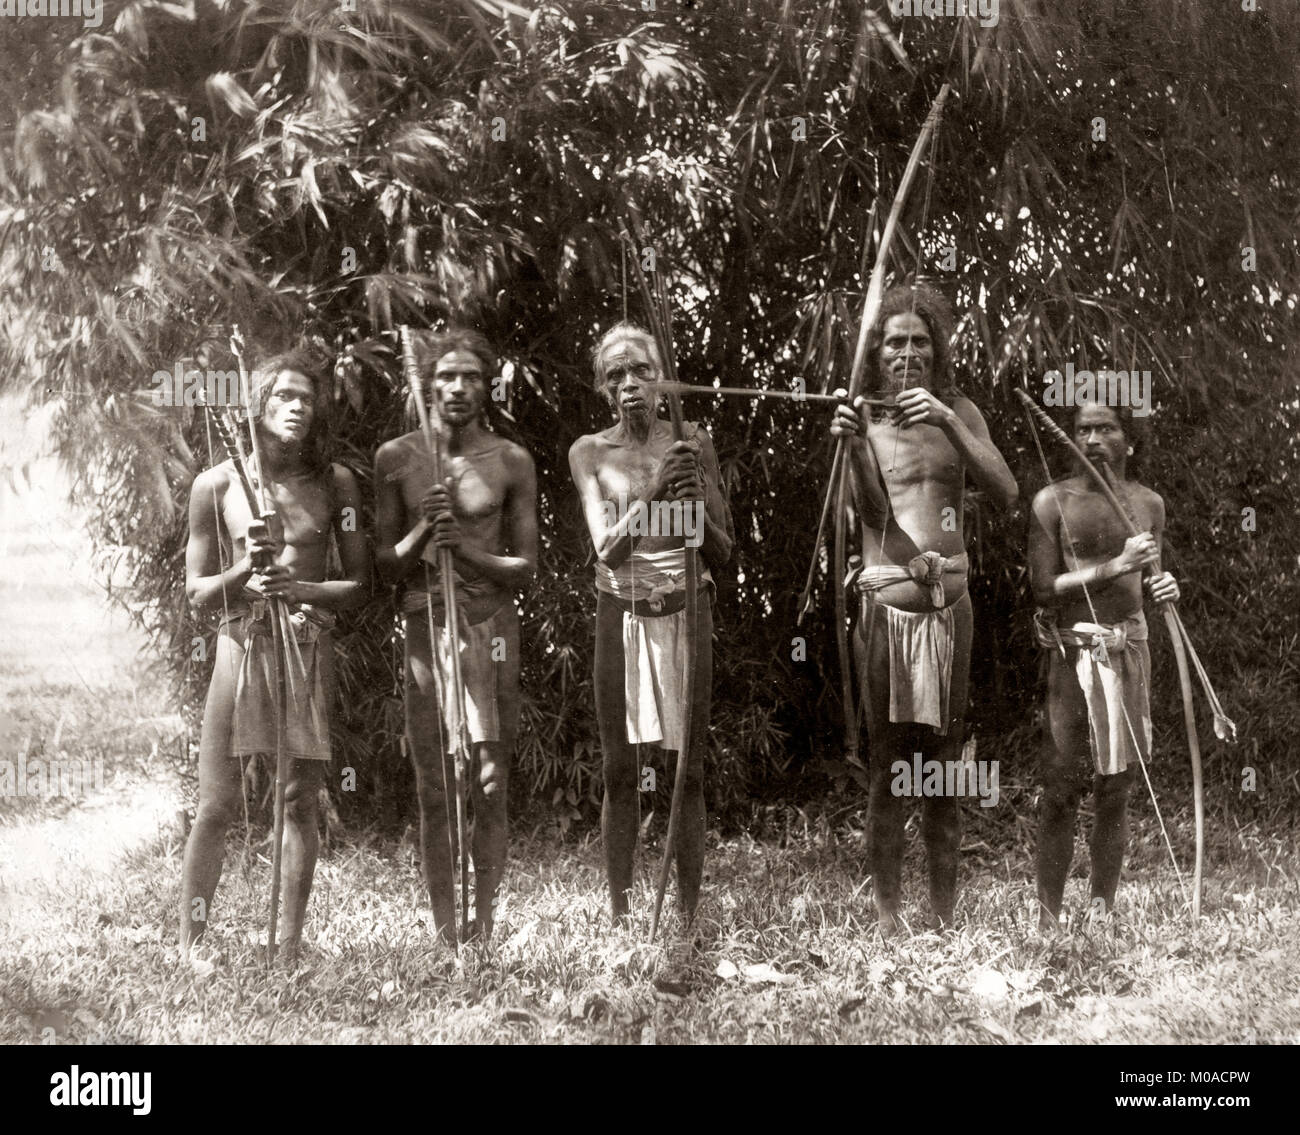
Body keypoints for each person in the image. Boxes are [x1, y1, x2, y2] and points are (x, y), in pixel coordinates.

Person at [829, 284, 1018, 934]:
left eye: (919, 340)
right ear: (878, 353)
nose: (907, 352)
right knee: (888, 767)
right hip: (887, 610)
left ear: (936, 348)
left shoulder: (958, 410)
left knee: (942, 765)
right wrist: (855, 447)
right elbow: (875, 515)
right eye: (894, 341)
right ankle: (887, 917)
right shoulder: (868, 421)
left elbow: (1006, 490)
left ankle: (942, 916)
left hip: (951, 606)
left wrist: (946, 419)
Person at [181, 350, 369, 959]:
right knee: (217, 802)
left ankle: (286, 948)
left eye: (306, 399)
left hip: (309, 644)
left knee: (298, 798)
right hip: (242, 645)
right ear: (256, 408)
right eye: (282, 397)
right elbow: (197, 595)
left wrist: (301, 588)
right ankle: (192, 943)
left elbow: (359, 586)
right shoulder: (216, 486)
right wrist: (245, 571)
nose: (295, 408)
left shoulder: (335, 483)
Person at [374, 329, 537, 944]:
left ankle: (485, 923)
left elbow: (526, 568)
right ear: (427, 386)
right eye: (446, 377)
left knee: (491, 781)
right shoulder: (397, 458)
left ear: (488, 384)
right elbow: (382, 568)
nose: (458, 388)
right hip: (426, 626)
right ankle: (447, 930)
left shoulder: (511, 461)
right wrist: (423, 531)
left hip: (493, 628)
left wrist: (463, 548)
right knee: (435, 784)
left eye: (471, 376)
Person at [568, 322, 733, 926]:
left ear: (664, 377)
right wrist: (658, 492)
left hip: (688, 606)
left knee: (686, 767)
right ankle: (618, 913)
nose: (630, 383)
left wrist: (693, 510)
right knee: (619, 768)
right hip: (621, 609)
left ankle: (687, 915)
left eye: (641, 370)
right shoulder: (590, 451)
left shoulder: (694, 443)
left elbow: (723, 551)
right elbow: (606, 551)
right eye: (616, 375)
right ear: (602, 387)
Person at [1027, 400, 1179, 929]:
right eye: (1083, 429)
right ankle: (1048, 918)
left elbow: (1149, 580)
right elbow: (1043, 588)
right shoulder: (1053, 501)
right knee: (1061, 786)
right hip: (1075, 650)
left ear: (1128, 440)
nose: (1091, 438)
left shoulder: (1149, 504)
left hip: (1129, 646)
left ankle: (1102, 910)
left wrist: (1165, 587)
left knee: (1115, 786)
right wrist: (1114, 565)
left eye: (1105, 428)